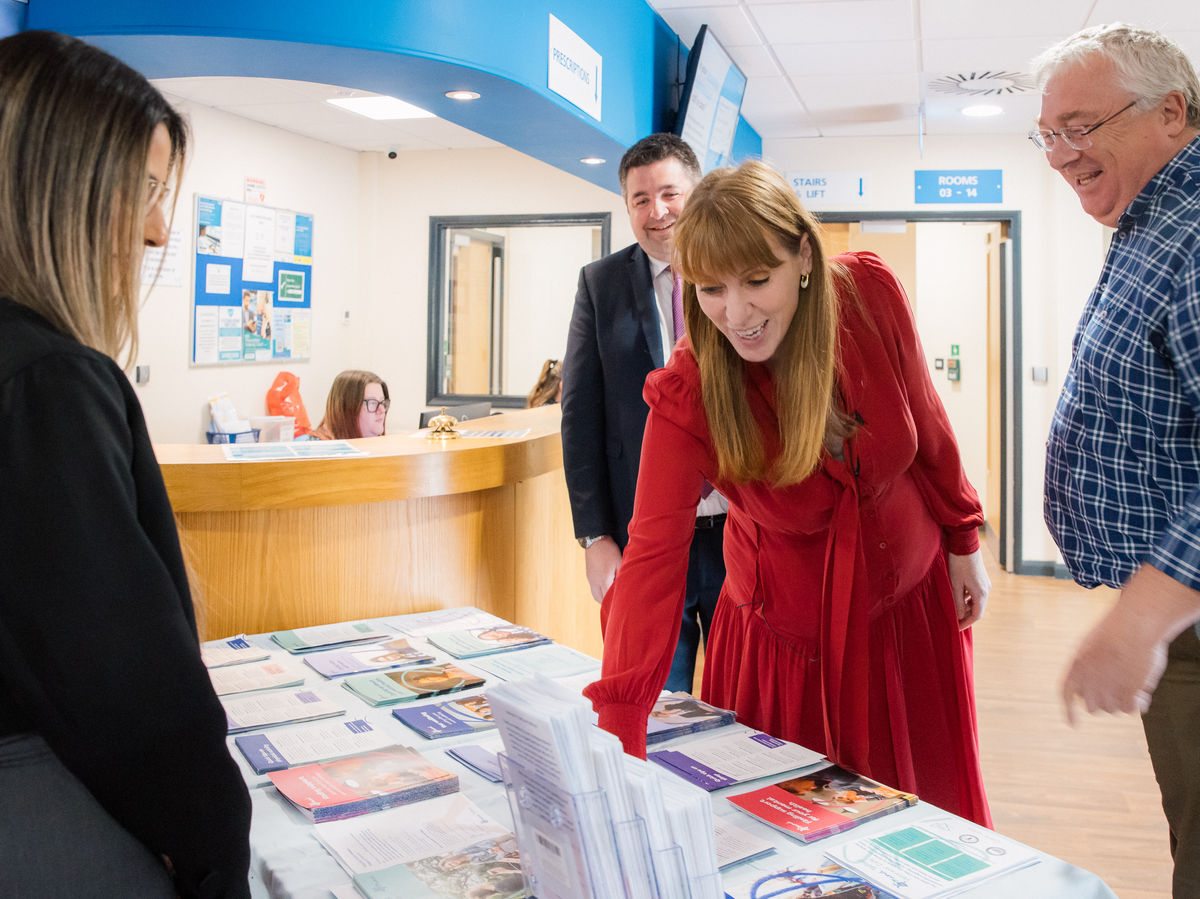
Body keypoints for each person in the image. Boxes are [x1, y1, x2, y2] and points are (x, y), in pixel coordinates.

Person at [583, 160, 992, 826]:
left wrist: (962, 535)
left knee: (928, 823)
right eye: (711, 289)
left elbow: (926, 413)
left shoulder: (868, 293)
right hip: (792, 651)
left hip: (912, 613)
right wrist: (617, 731)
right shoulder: (692, 392)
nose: (736, 314)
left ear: (801, 253)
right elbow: (653, 558)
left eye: (757, 280)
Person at [0, 29, 251, 897]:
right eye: (142, 191)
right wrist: (217, 845)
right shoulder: (50, 382)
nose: (155, 230)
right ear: (62, 184)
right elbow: (127, 692)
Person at [1030, 23, 1200, 895]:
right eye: (1050, 133)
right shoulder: (1150, 217)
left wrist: (1139, 620)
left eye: (1083, 126)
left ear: (1171, 110)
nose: (1063, 153)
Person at [562, 133, 727, 693]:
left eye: (669, 193)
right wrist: (594, 536)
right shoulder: (600, 284)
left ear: (696, 192)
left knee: (747, 701)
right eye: (639, 199)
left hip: (740, 532)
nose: (656, 212)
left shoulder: (742, 274)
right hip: (647, 536)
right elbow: (580, 415)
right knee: (654, 698)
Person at [311, 369, 389, 439]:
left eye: (382, 402)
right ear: (347, 408)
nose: (382, 410)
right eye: (372, 403)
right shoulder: (315, 449)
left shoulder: (383, 446)